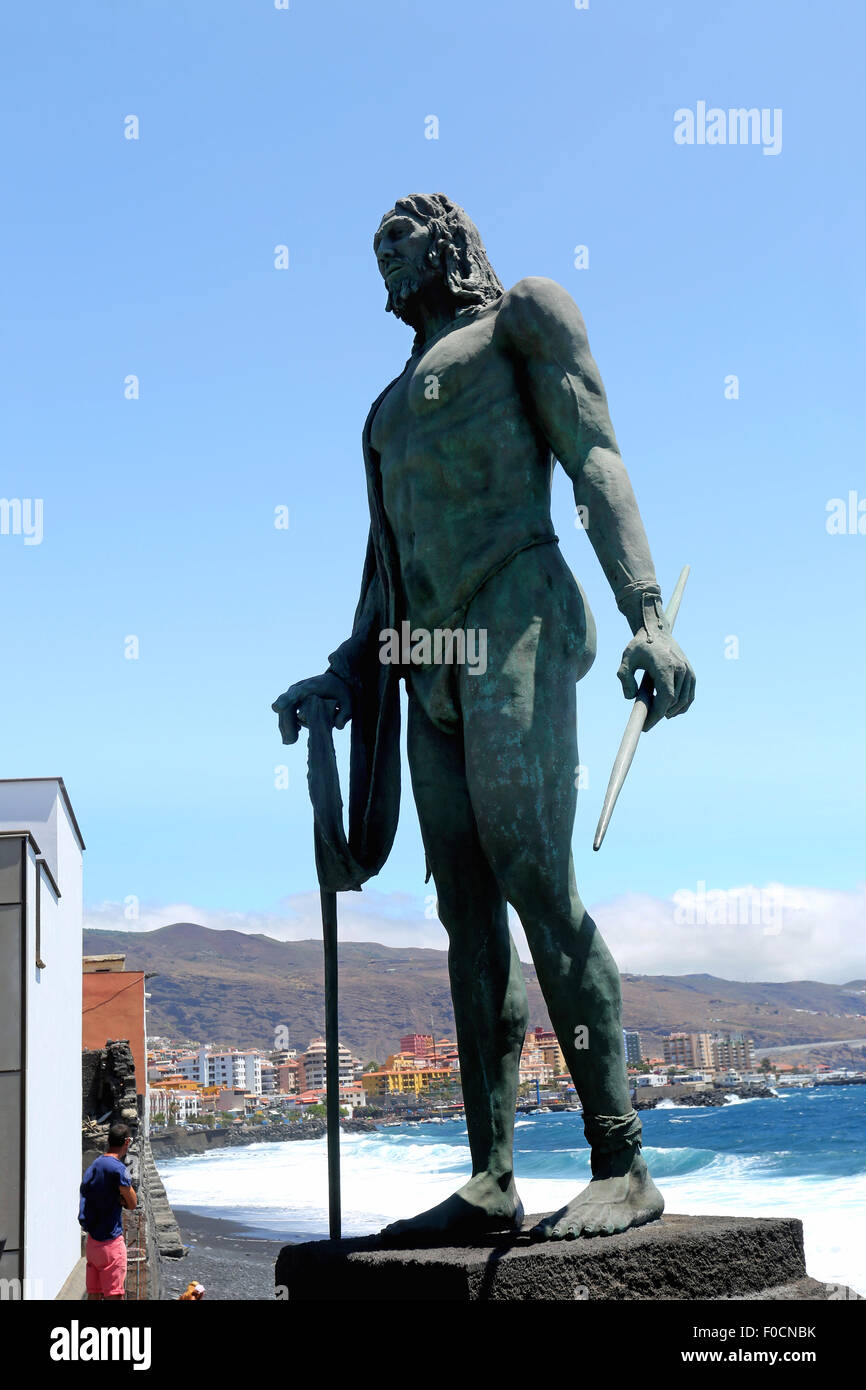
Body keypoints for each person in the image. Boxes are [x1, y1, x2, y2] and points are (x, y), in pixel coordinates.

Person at [273, 193, 696, 1243]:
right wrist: (341, 670)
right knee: (465, 909)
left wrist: (648, 614)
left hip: (515, 606)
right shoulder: (379, 414)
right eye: (373, 244)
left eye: (398, 237)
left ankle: (620, 1158)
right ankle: (491, 1172)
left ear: (451, 239)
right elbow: (385, 570)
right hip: (427, 658)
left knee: (531, 875)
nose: (383, 255)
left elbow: (595, 457)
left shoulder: (525, 316)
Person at [79, 1122, 137, 1299]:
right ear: (126, 1141)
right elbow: (133, 1202)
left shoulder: (95, 1165)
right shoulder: (120, 1168)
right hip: (111, 1243)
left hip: (93, 1243)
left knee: (94, 1295)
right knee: (114, 1295)